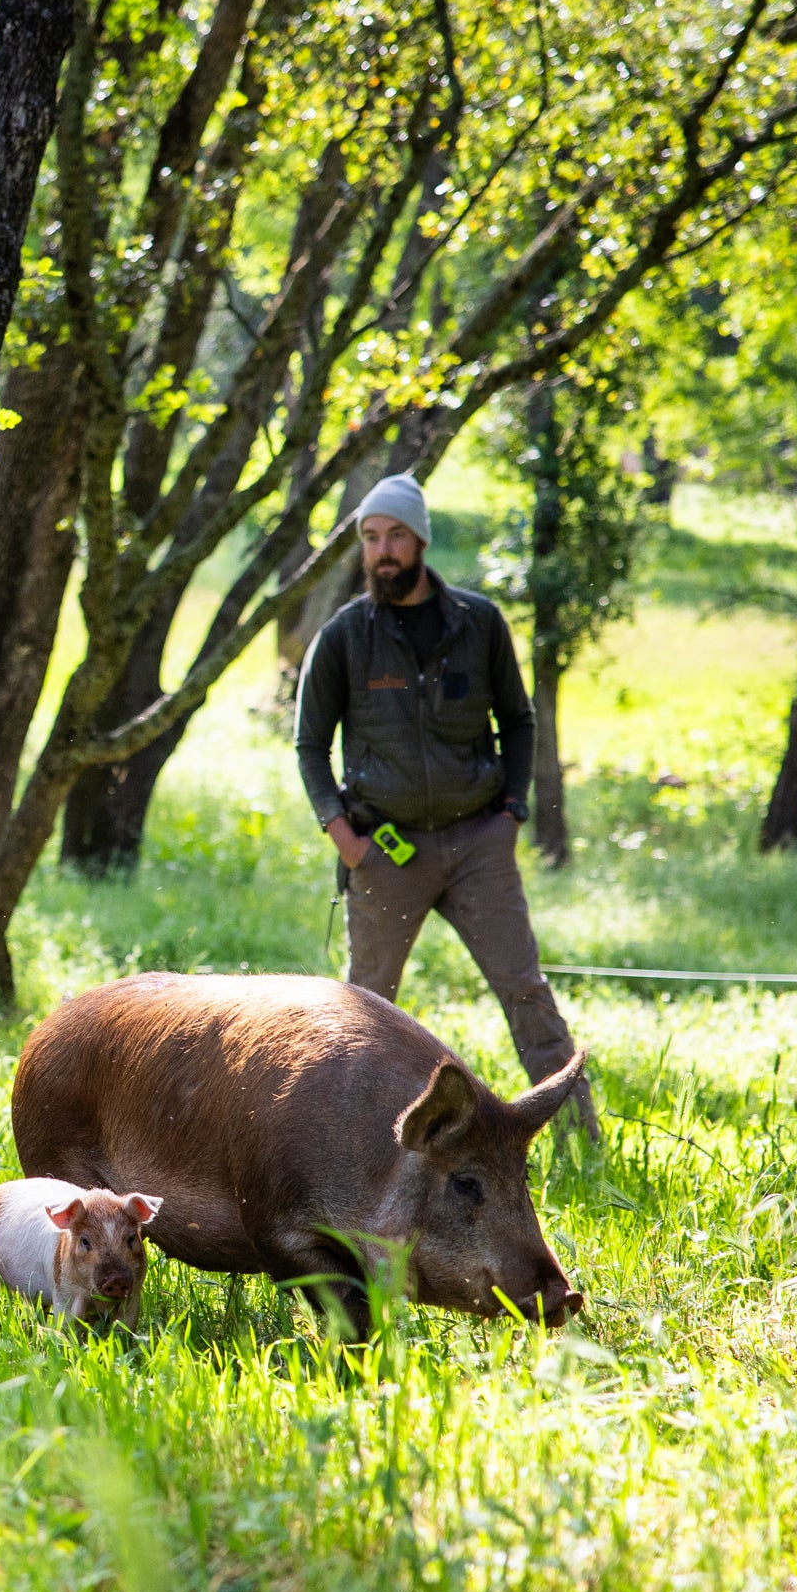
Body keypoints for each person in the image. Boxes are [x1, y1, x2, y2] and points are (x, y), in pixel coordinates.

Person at [295, 472, 596, 1133]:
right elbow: (309, 746)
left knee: (526, 992)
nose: (383, 551)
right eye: (371, 538)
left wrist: (511, 813)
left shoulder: (478, 623)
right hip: (384, 850)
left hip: (476, 845)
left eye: (395, 535)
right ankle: (355, 1145)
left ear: (421, 540)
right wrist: (343, 836)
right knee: (366, 1012)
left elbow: (519, 720)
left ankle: (584, 1140)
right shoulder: (346, 636)